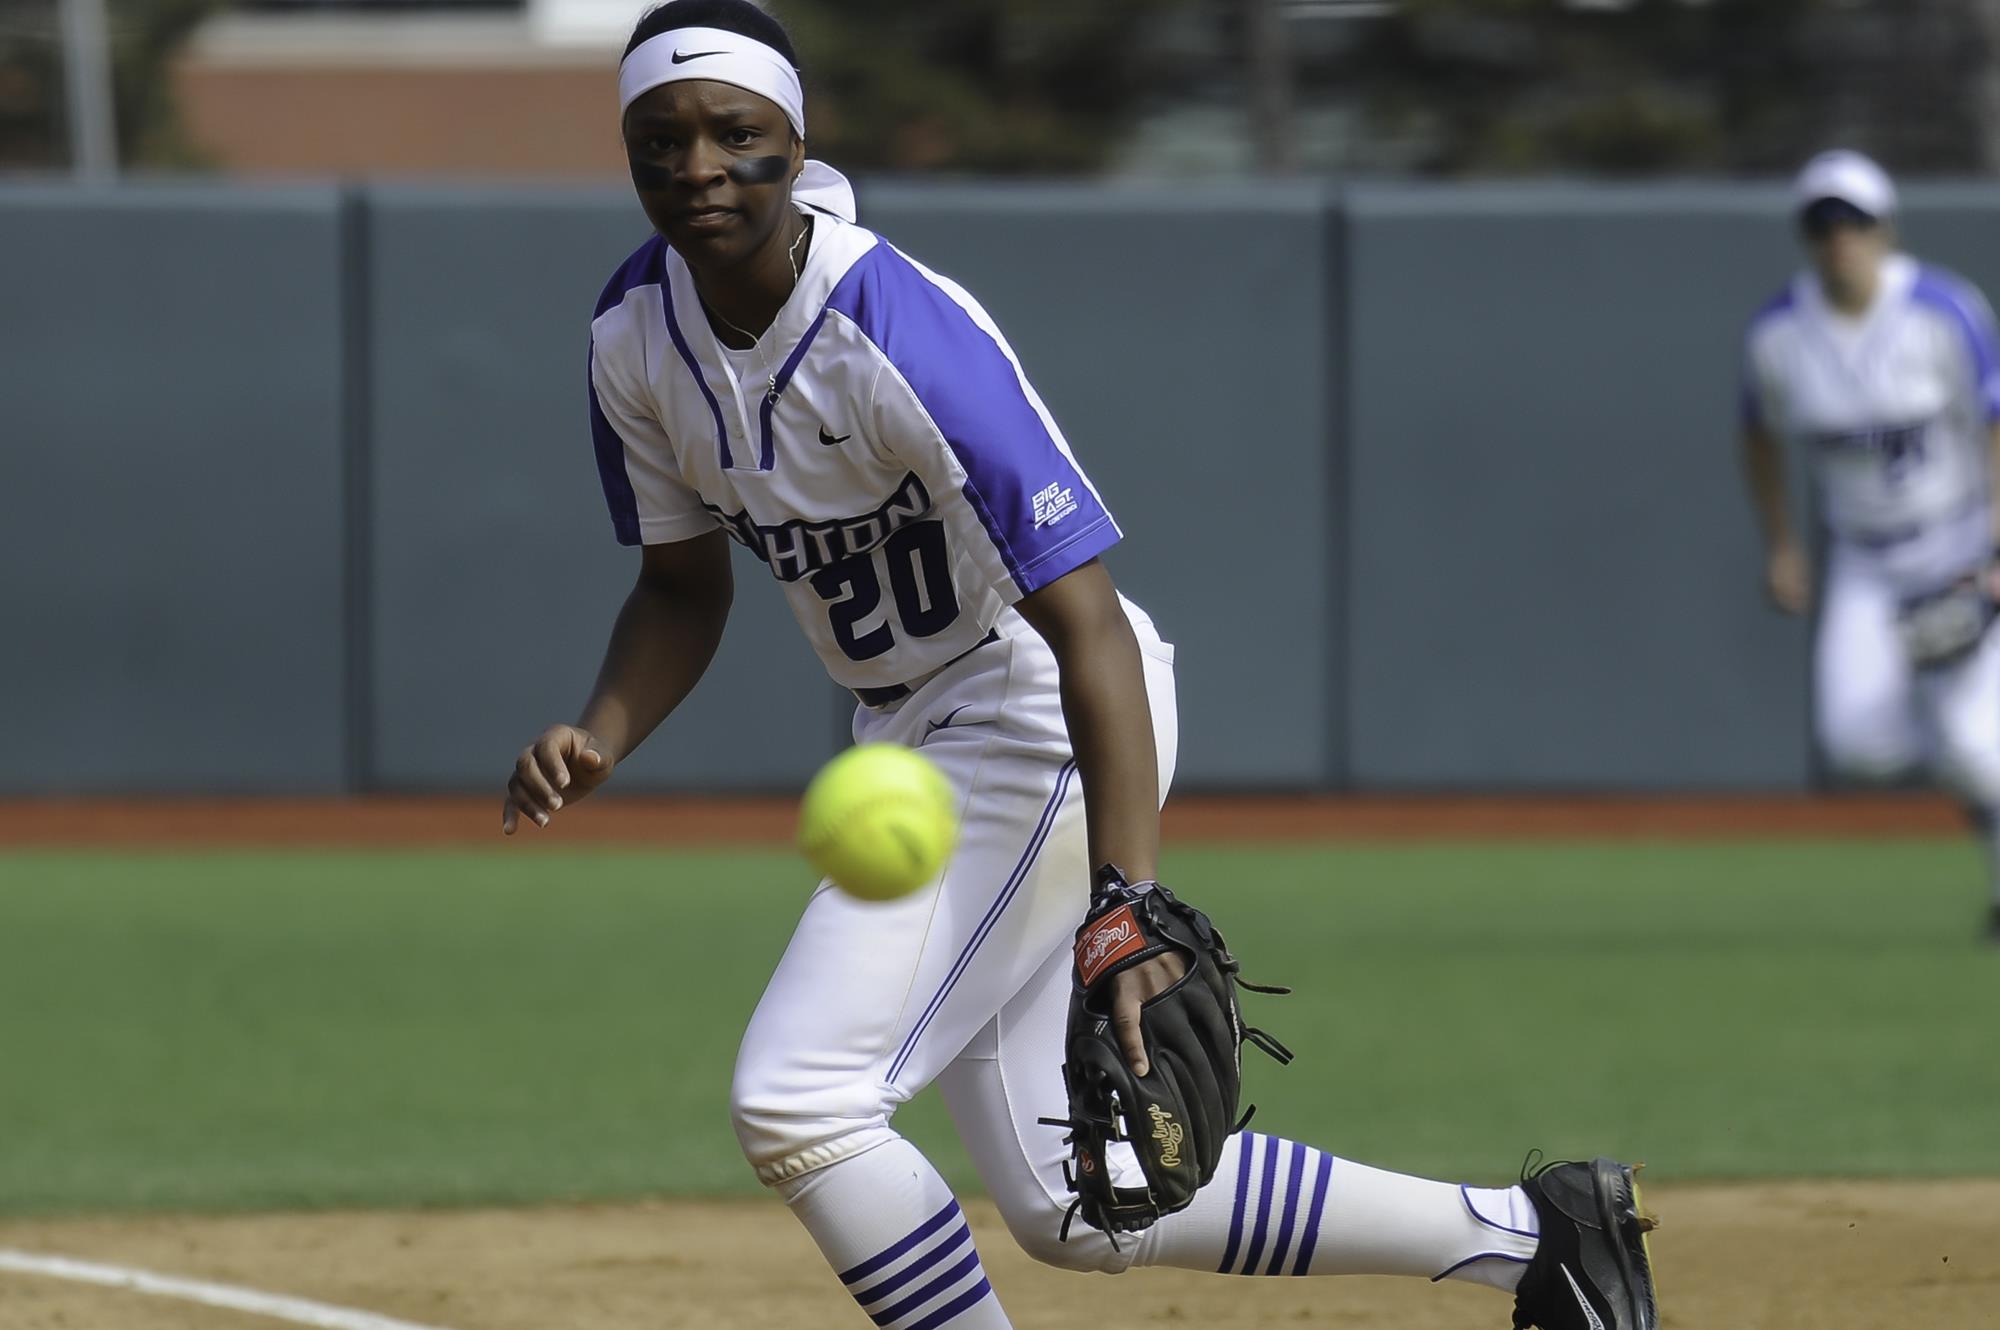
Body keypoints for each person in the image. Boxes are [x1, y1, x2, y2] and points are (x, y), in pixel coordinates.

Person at [501, 3, 1659, 1326]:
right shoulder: (632, 336)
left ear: (797, 140)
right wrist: (600, 725)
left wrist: (1130, 897)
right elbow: (679, 582)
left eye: (736, 132)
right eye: (663, 139)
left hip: (1030, 709)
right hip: (912, 729)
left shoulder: (898, 328)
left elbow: (1089, 622)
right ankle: (1537, 1235)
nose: (699, 163)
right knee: (1085, 1196)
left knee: (799, 1095)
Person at [1741, 150, 2000, 942]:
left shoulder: (1940, 309)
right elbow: (1755, 435)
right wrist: (1782, 544)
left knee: (1971, 746)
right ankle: (1963, 740)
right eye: (1822, 224)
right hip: (1862, 557)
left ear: (1885, 228)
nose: (1839, 240)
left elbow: (1995, 422)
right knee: (1856, 744)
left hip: (1954, 541)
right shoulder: (1780, 335)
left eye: (1853, 222)